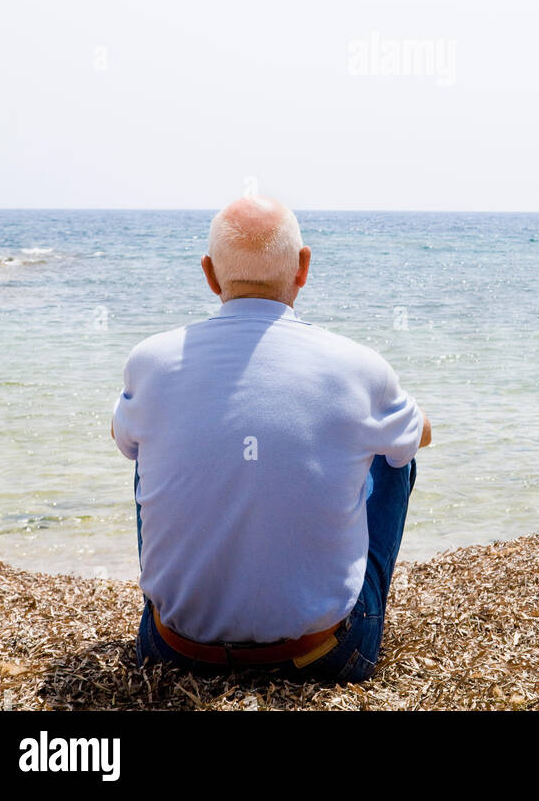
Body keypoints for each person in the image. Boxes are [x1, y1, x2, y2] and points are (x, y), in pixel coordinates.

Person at [111, 197, 430, 683]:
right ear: (303, 267)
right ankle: (336, 611)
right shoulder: (358, 365)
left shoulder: (150, 361)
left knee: (141, 443)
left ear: (210, 276)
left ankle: (191, 606)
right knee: (393, 455)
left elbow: (121, 437)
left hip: (172, 651)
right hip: (323, 657)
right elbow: (420, 435)